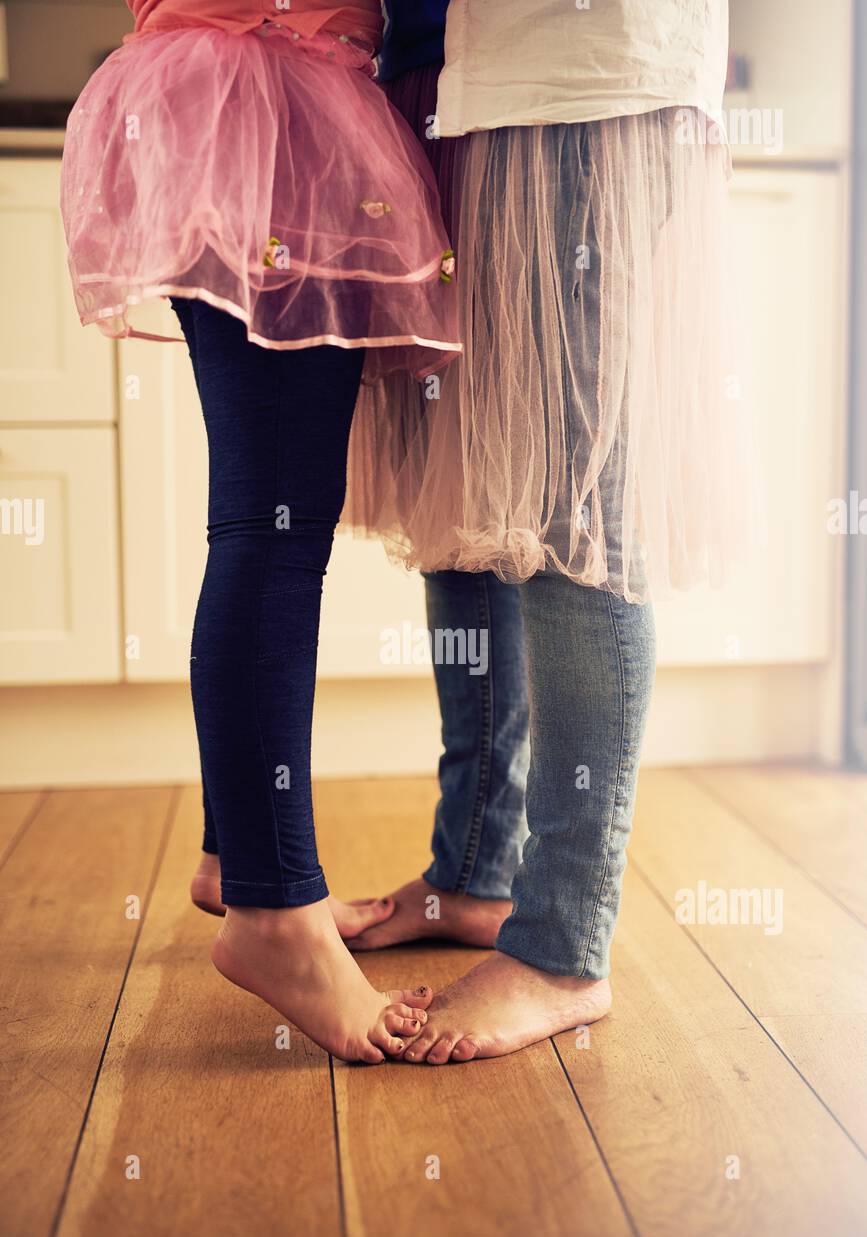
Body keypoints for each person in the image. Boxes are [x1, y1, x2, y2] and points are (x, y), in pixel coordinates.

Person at [337, 0, 751, 1061]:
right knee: (470, 480)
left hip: (575, 73)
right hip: (444, 75)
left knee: (572, 493)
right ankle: (475, 869)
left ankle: (565, 944)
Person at [60, 0, 463, 1063]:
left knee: (272, 516)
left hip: (238, 88)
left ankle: (231, 858)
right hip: (267, 97)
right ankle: (273, 911)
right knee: (273, 527)